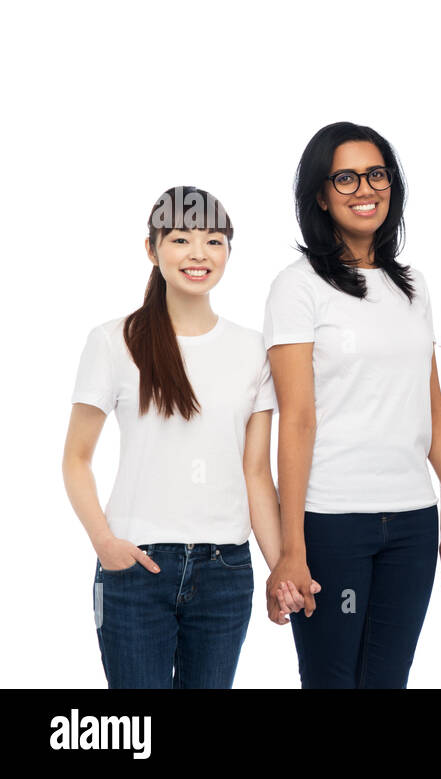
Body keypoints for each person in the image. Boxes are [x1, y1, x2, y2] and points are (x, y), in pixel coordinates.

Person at [64, 186, 303, 688]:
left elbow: (256, 473)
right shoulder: (113, 341)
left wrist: (281, 564)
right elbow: (76, 458)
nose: (199, 254)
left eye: (214, 241)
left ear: (229, 252)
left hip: (224, 568)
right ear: (152, 250)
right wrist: (105, 542)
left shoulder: (252, 349)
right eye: (180, 239)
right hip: (135, 567)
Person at [264, 122, 441, 689]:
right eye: (346, 177)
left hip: (409, 522)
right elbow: (297, 420)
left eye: (376, 173)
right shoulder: (297, 287)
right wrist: (291, 549)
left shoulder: (413, 287)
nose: (365, 188)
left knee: (388, 682)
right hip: (331, 522)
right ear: (321, 195)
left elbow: (431, 408)